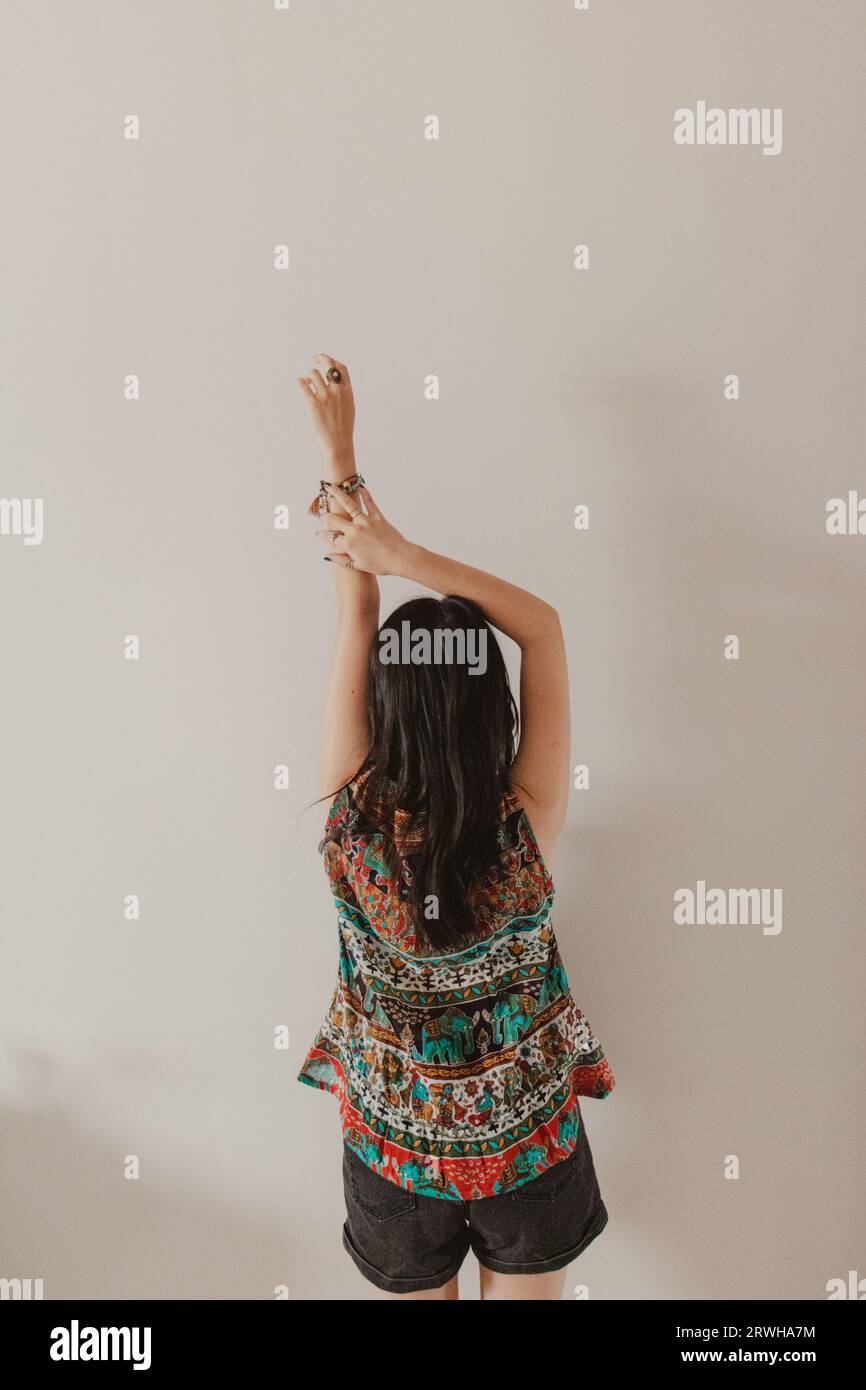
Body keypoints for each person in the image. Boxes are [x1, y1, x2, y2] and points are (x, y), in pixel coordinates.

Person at [295, 354, 615, 1300]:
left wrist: (341, 457)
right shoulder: (526, 822)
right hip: (527, 1151)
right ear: (493, 713)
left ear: (385, 705)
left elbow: (356, 608)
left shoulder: (349, 811)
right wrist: (407, 555)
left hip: (396, 1159)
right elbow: (544, 627)